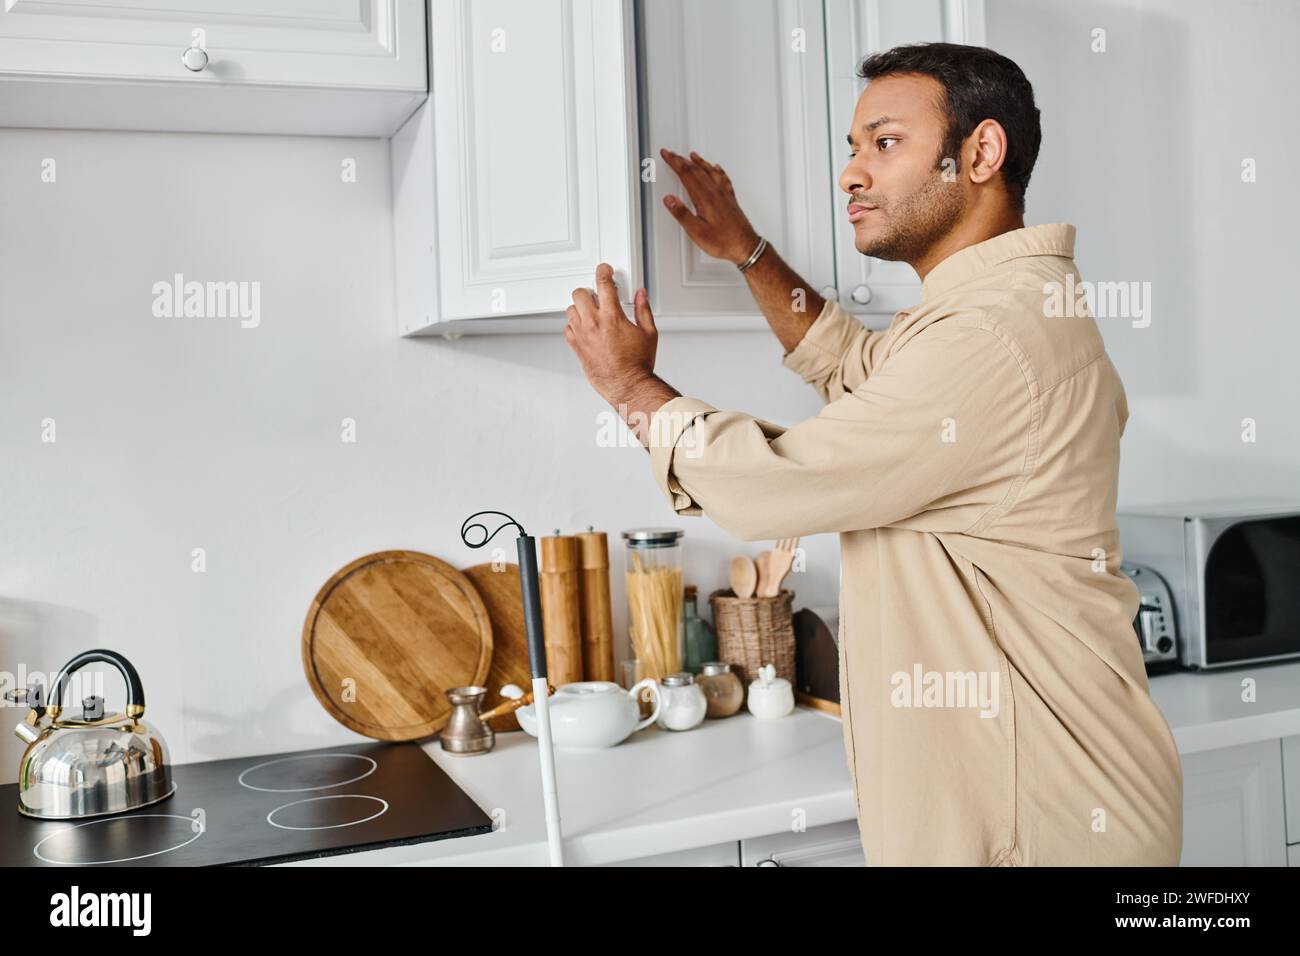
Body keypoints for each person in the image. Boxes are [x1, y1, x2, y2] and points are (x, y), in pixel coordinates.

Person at [563, 42, 1182, 866]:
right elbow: (856, 372)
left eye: (885, 143)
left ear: (981, 154)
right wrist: (750, 254)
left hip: (1041, 819)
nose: (852, 173)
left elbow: (774, 486)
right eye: (852, 149)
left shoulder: (991, 336)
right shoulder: (993, 309)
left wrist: (632, 388)